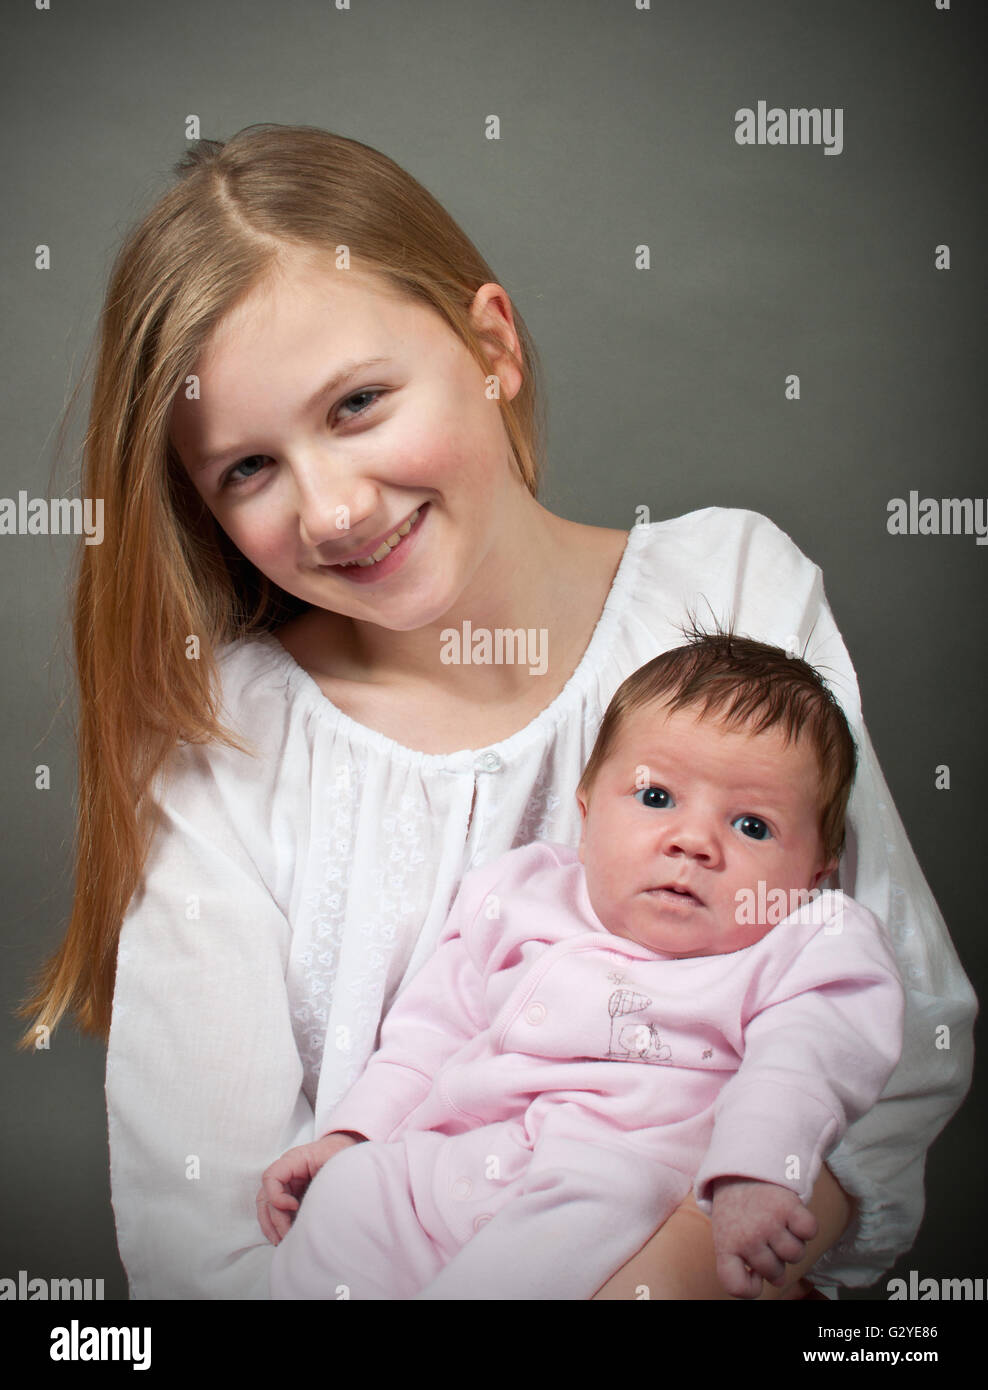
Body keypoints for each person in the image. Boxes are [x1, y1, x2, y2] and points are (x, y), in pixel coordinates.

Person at [18, 123, 975, 1300]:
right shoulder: (227, 738)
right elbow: (199, 1240)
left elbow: (892, 1034)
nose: (329, 509)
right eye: (247, 469)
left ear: (491, 347)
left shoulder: (728, 591)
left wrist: (666, 1280)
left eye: (359, 403)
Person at [259, 632, 906, 1300]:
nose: (693, 842)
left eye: (752, 826)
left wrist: (755, 1174)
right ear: (587, 809)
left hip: (622, 1180)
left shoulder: (806, 941)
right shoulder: (522, 892)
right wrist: (352, 1132)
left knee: (592, 1201)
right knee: (354, 1193)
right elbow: (429, 1031)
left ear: (817, 868)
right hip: (459, 1163)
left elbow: (803, 1067)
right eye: (657, 798)